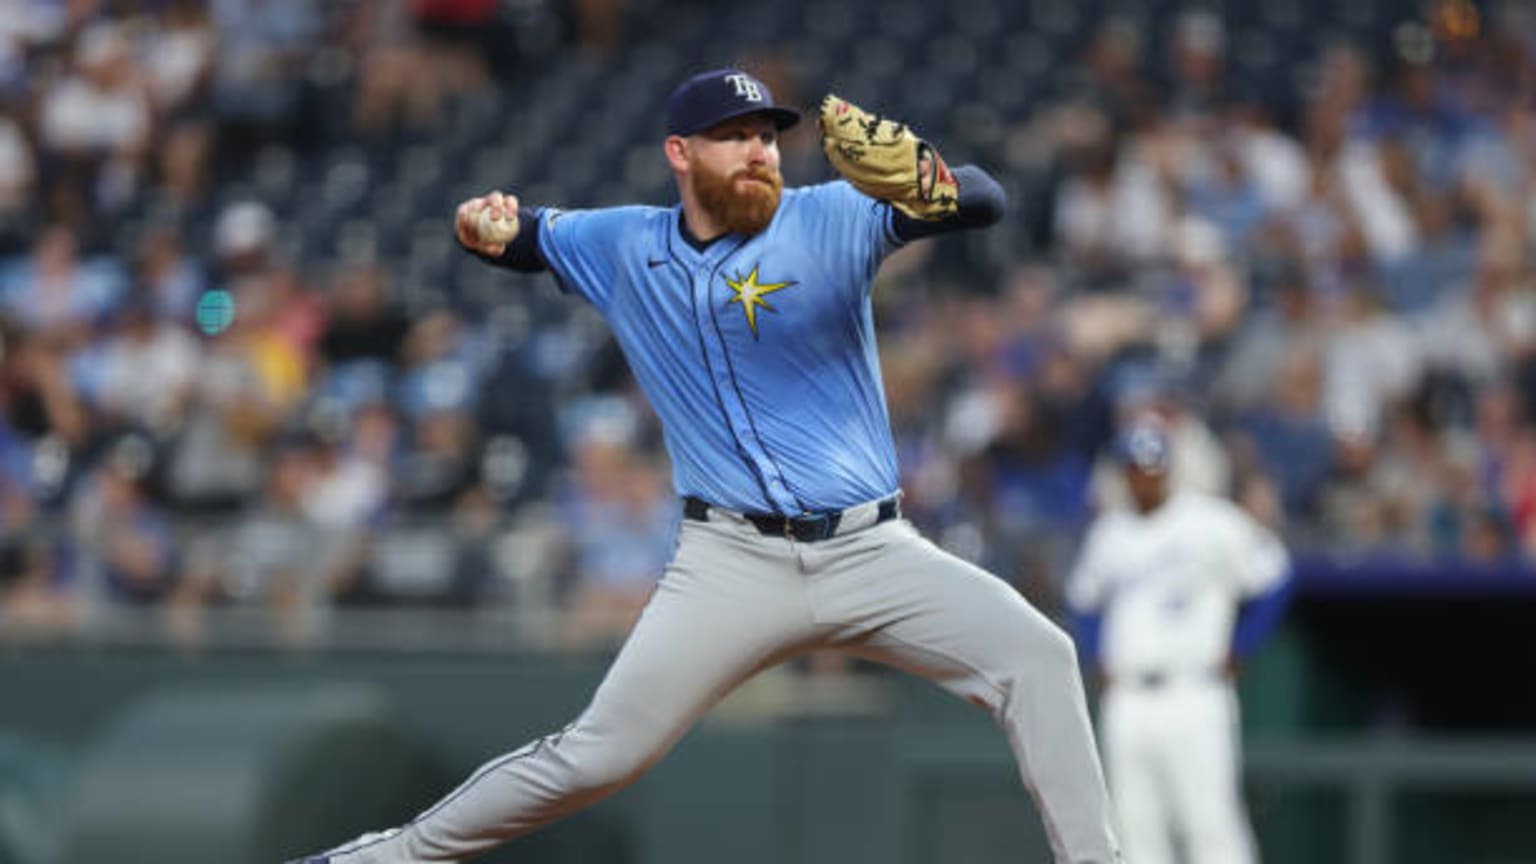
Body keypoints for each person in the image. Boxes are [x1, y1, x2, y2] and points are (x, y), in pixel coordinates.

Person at [291, 68, 1122, 864]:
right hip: (732, 563)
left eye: (767, 134)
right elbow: (526, 236)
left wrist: (932, 180)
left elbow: (984, 199)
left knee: (1038, 656)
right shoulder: (624, 243)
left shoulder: (833, 214)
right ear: (680, 154)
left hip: (873, 550)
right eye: (733, 137)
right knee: (599, 755)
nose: (760, 150)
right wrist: (484, 227)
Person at [1066, 417, 1292, 864]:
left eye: (1154, 467)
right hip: (1128, 697)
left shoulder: (1211, 521)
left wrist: (1242, 644)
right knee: (1134, 833)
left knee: (1211, 827)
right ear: (1124, 472)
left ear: (1169, 468)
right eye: (1136, 468)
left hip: (1194, 689)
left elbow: (1277, 577)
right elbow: (1082, 601)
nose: (1145, 477)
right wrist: (1096, 656)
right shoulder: (1110, 532)